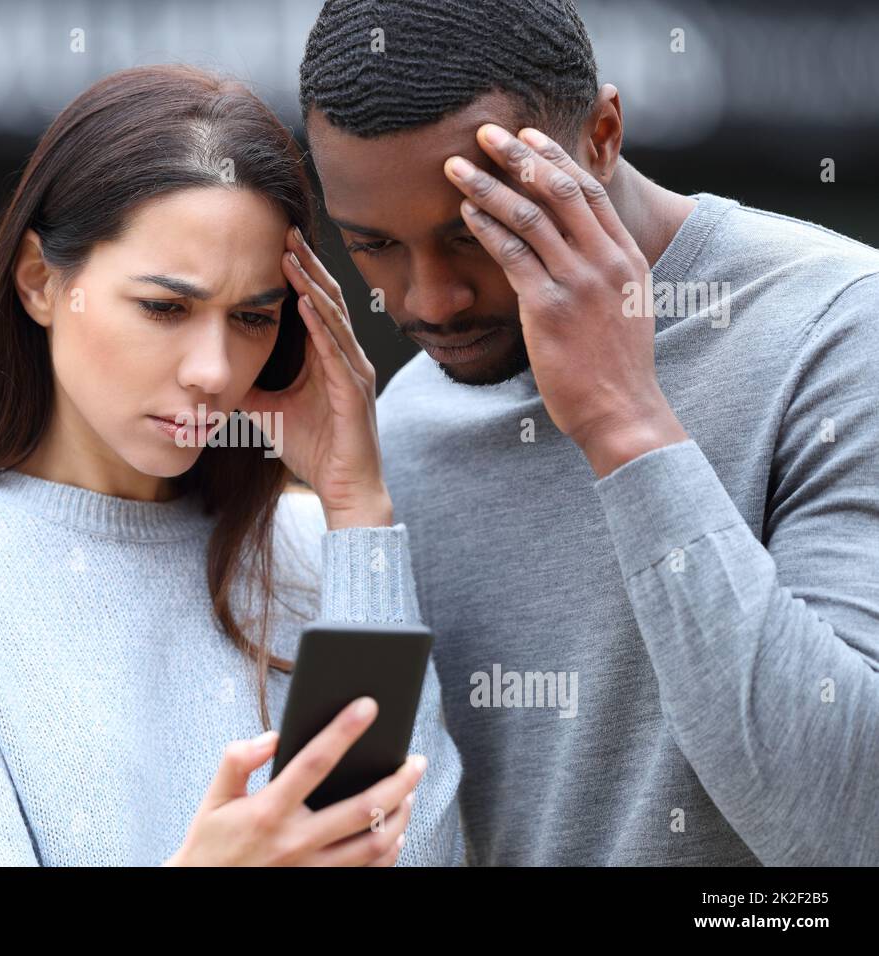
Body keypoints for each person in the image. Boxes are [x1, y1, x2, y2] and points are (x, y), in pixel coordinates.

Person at [0, 63, 464, 866]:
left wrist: (357, 513)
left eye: (251, 317)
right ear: (42, 282)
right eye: (166, 308)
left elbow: (412, 854)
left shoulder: (322, 547)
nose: (213, 369)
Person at [297, 0, 879, 864]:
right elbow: (343, 838)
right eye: (371, 245)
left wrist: (622, 420)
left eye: (474, 231)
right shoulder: (399, 432)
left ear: (601, 134)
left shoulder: (839, 328)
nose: (428, 302)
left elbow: (844, 820)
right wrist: (356, 524)